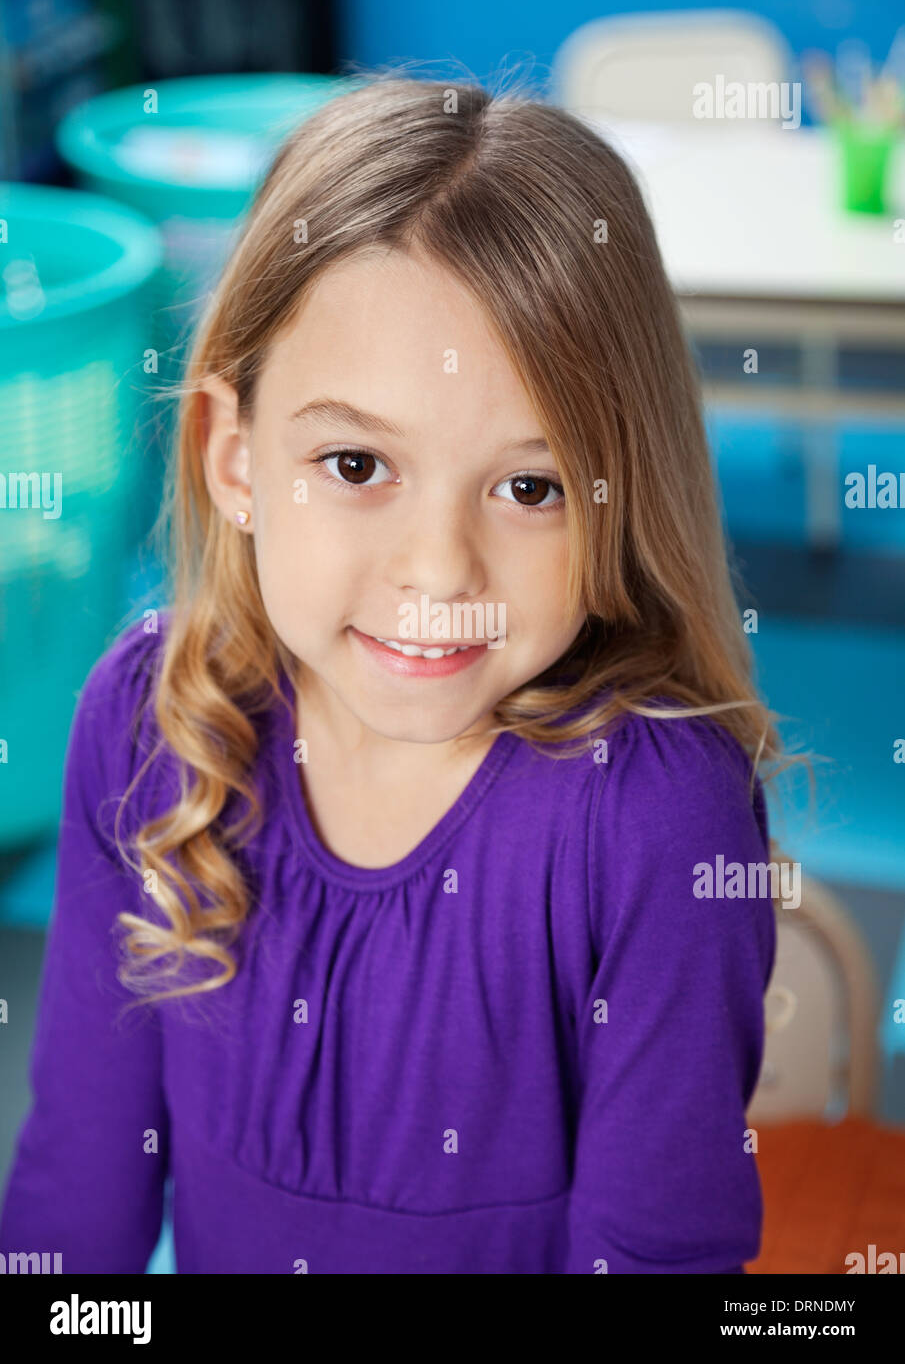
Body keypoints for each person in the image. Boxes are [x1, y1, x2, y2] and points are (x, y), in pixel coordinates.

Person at [0, 70, 791, 1274]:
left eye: (528, 487)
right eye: (358, 464)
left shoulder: (653, 816)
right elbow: (76, 1195)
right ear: (233, 454)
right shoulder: (146, 716)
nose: (438, 571)